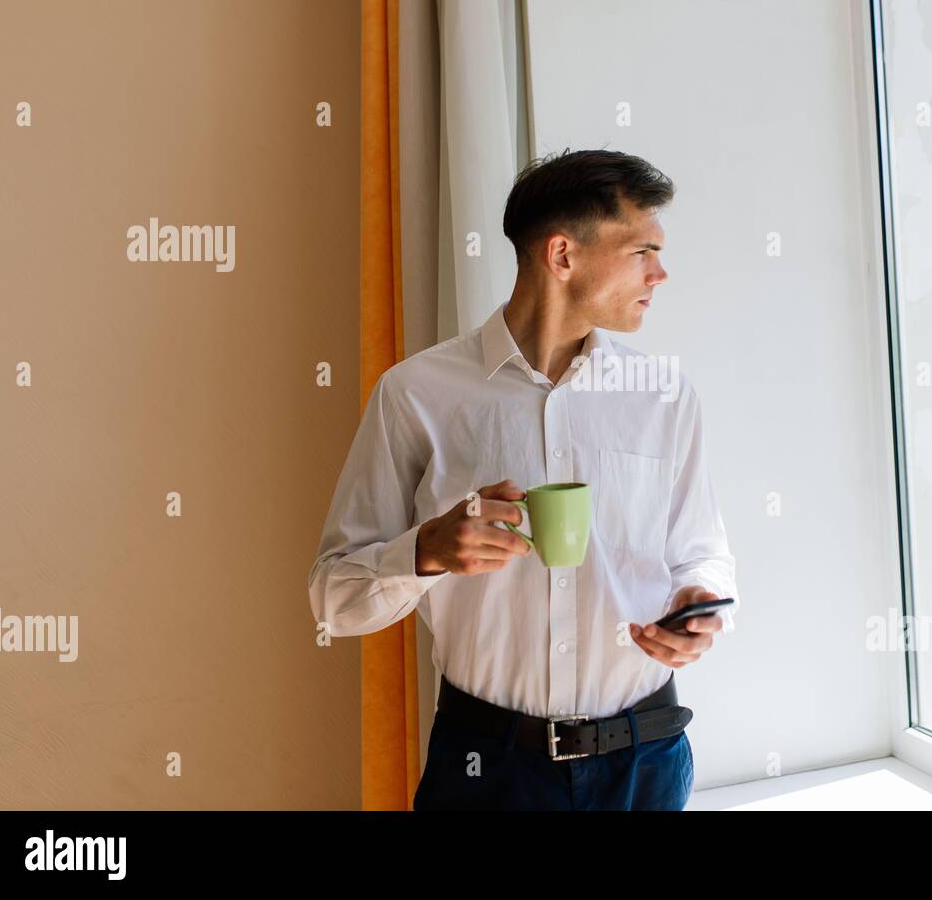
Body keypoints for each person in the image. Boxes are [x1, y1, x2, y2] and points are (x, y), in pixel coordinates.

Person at [307, 148, 739, 810]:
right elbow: (334, 598)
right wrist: (425, 551)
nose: (661, 272)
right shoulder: (415, 395)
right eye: (642, 251)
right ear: (562, 254)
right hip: (485, 767)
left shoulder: (665, 395)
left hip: (646, 762)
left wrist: (698, 601)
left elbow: (702, 549)